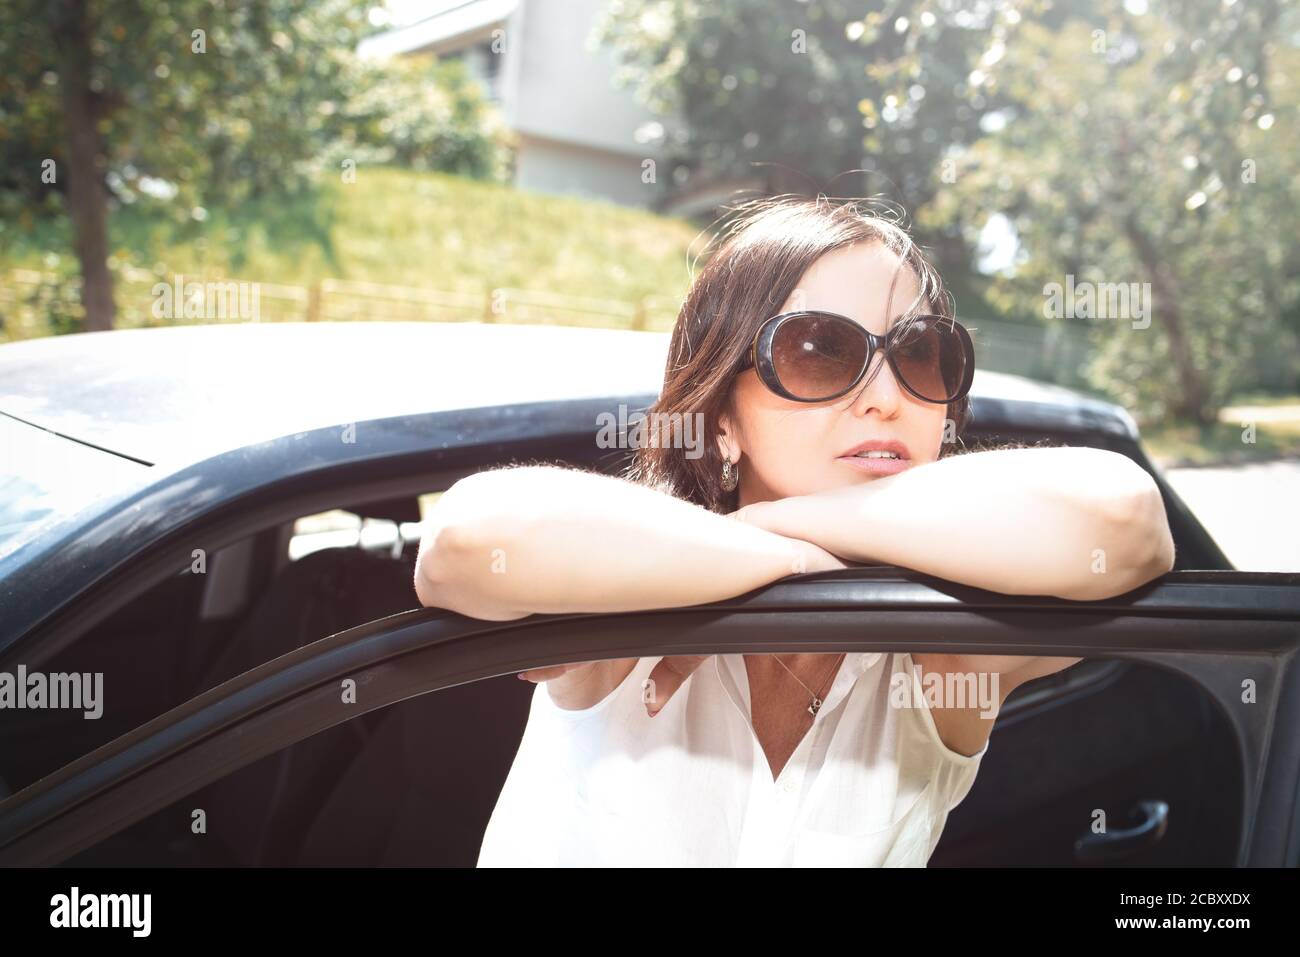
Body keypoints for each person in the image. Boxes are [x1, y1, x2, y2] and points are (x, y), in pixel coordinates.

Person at [414, 195, 1176, 866]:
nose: (885, 397)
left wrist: (784, 523)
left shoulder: (938, 654)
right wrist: (774, 552)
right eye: (819, 350)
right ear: (720, 425)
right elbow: (464, 543)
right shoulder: (627, 593)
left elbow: (1124, 523)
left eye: (920, 353)